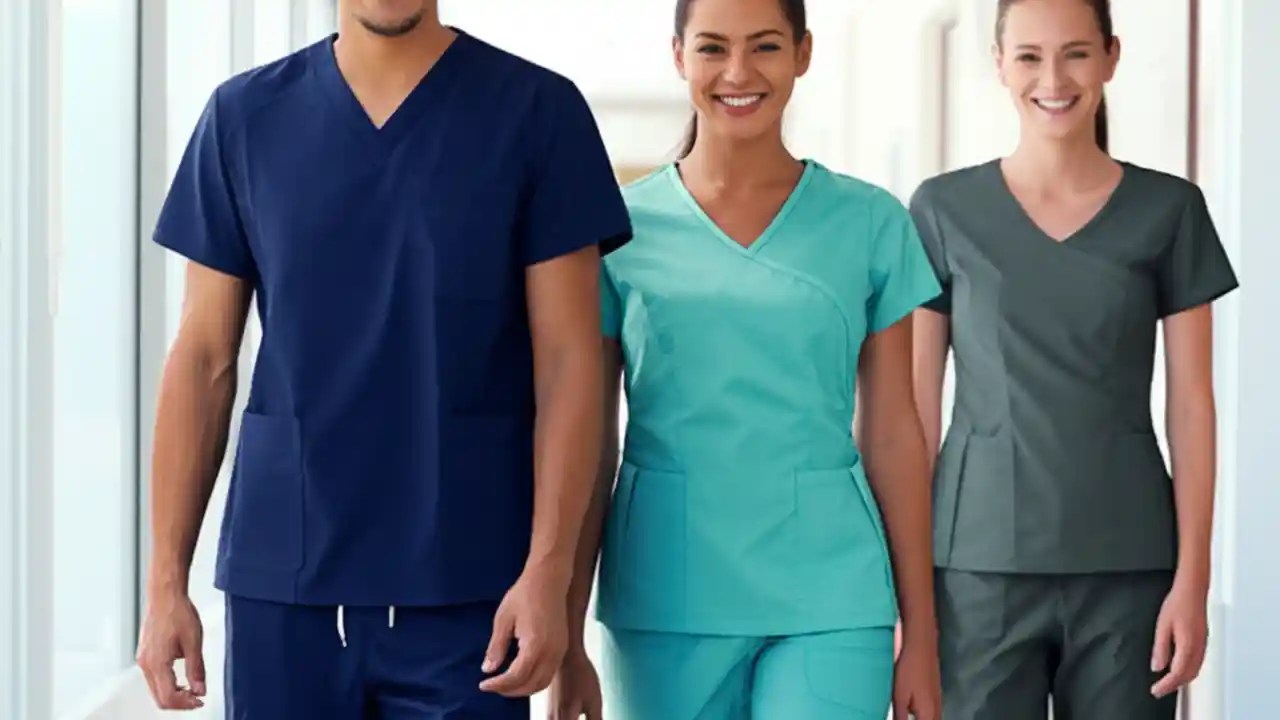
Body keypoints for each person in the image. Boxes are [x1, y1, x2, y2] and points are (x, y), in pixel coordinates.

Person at [134, 1, 632, 716]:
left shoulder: (536, 113)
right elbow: (203, 357)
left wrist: (548, 577)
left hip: (472, 591)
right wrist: (164, 584)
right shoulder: (244, 118)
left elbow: (569, 364)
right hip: (286, 581)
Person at [548, 0, 944, 718]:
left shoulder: (870, 223)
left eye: (764, 46)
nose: (738, 73)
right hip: (667, 591)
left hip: (833, 593)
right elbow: (589, 443)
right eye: (711, 49)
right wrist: (567, 632)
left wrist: (923, 633)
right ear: (678, 58)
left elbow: (892, 434)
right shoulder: (616, 233)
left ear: (803, 53)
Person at [909, 0, 1238, 718]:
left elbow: (1191, 406)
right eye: (1028, 55)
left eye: (1076, 53)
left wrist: (1193, 581)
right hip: (975, 573)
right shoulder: (942, 211)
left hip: (1131, 572)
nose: (1052, 77)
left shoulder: (1170, 211)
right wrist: (908, 598)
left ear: (1111, 57)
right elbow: (913, 419)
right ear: (998, 63)